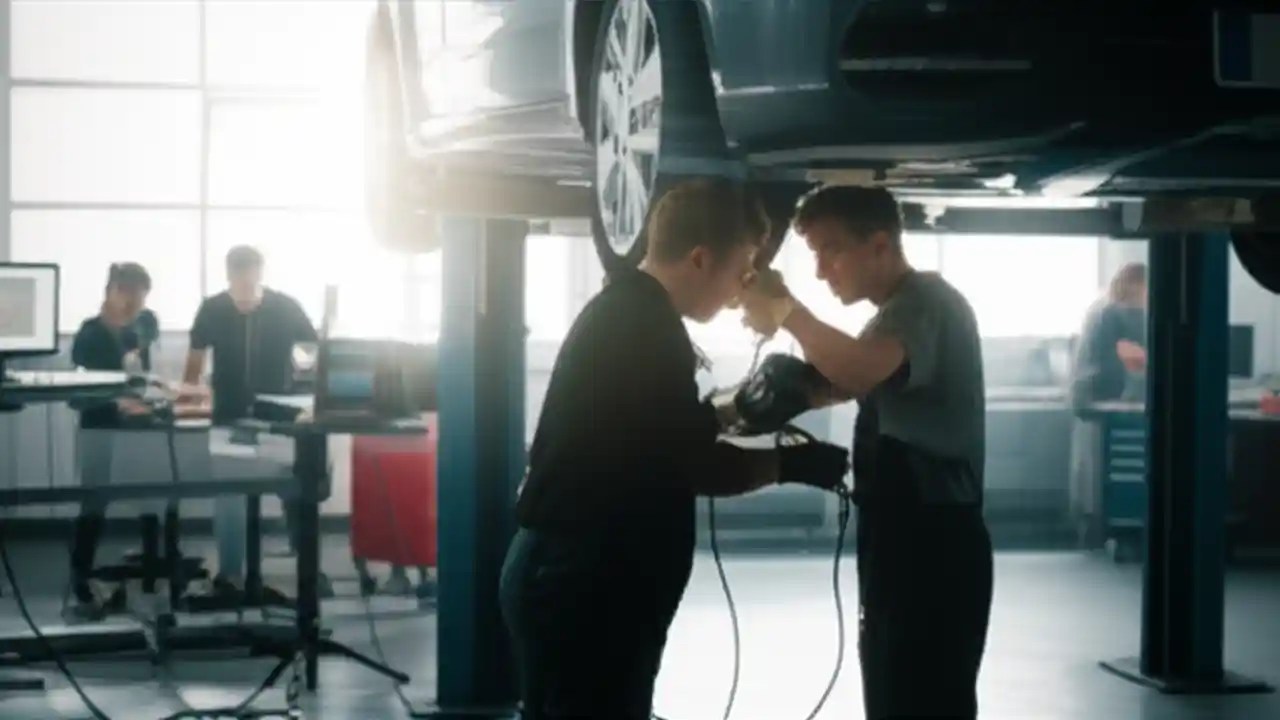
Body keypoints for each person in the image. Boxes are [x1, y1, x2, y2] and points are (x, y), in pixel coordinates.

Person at [499, 179, 850, 720]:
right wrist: (790, 464)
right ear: (700, 259)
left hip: (572, 575)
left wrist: (739, 407)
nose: (741, 289)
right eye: (742, 270)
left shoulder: (630, 311)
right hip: (582, 584)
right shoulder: (645, 328)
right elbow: (694, 464)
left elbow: (651, 432)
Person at [739, 185, 993, 720]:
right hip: (902, 538)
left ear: (880, 245)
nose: (822, 270)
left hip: (934, 544)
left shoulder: (927, 303)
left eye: (832, 249)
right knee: (893, 690)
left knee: (923, 698)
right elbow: (839, 381)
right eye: (814, 255)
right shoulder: (891, 316)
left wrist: (787, 311)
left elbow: (855, 369)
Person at [182, 246, 321, 589]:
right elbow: (195, 361)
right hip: (229, 413)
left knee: (297, 489)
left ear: (260, 273)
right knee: (229, 494)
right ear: (228, 276)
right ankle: (230, 572)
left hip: (279, 412)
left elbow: (312, 352)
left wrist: (306, 388)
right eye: (239, 280)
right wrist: (188, 397)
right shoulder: (213, 309)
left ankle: (309, 570)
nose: (246, 288)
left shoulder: (285, 307)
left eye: (251, 278)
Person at [66, 263, 160, 621]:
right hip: (99, 425)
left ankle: (153, 577)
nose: (135, 304)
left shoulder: (140, 328)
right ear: (111, 291)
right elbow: (85, 386)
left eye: (141, 298)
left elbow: (139, 377)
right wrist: (117, 398)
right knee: (94, 502)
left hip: (136, 425)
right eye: (130, 295)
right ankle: (81, 579)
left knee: (151, 497)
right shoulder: (89, 334)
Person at [1067, 262, 1147, 547]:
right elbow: (1121, 363)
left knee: (1091, 472)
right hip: (1099, 400)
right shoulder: (1111, 313)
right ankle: (1108, 530)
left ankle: (1095, 528)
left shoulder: (1103, 309)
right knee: (1098, 470)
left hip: (1093, 398)